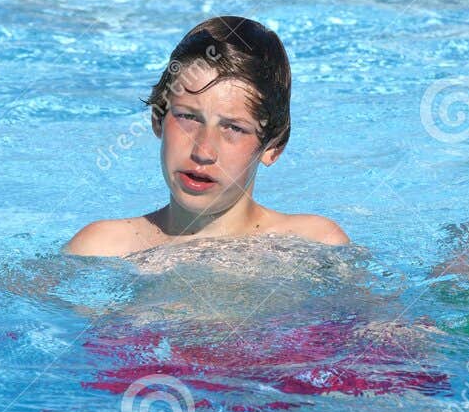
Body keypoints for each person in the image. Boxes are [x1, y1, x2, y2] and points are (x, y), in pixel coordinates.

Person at [65, 16, 349, 257]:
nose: (203, 151)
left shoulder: (311, 246)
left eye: (233, 128)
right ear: (158, 119)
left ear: (273, 148)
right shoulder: (103, 248)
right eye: (188, 117)